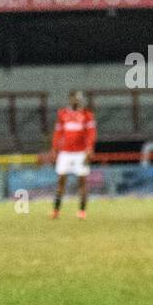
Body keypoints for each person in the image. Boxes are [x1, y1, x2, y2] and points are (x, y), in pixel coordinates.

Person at [49, 91, 96, 220]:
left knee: (82, 182)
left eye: (78, 99)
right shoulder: (62, 114)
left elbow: (91, 133)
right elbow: (57, 133)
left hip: (81, 153)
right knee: (61, 181)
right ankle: (56, 210)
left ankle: (82, 211)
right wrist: (54, 149)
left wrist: (89, 149)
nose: (76, 101)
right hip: (65, 153)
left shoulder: (87, 115)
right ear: (70, 99)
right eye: (74, 98)